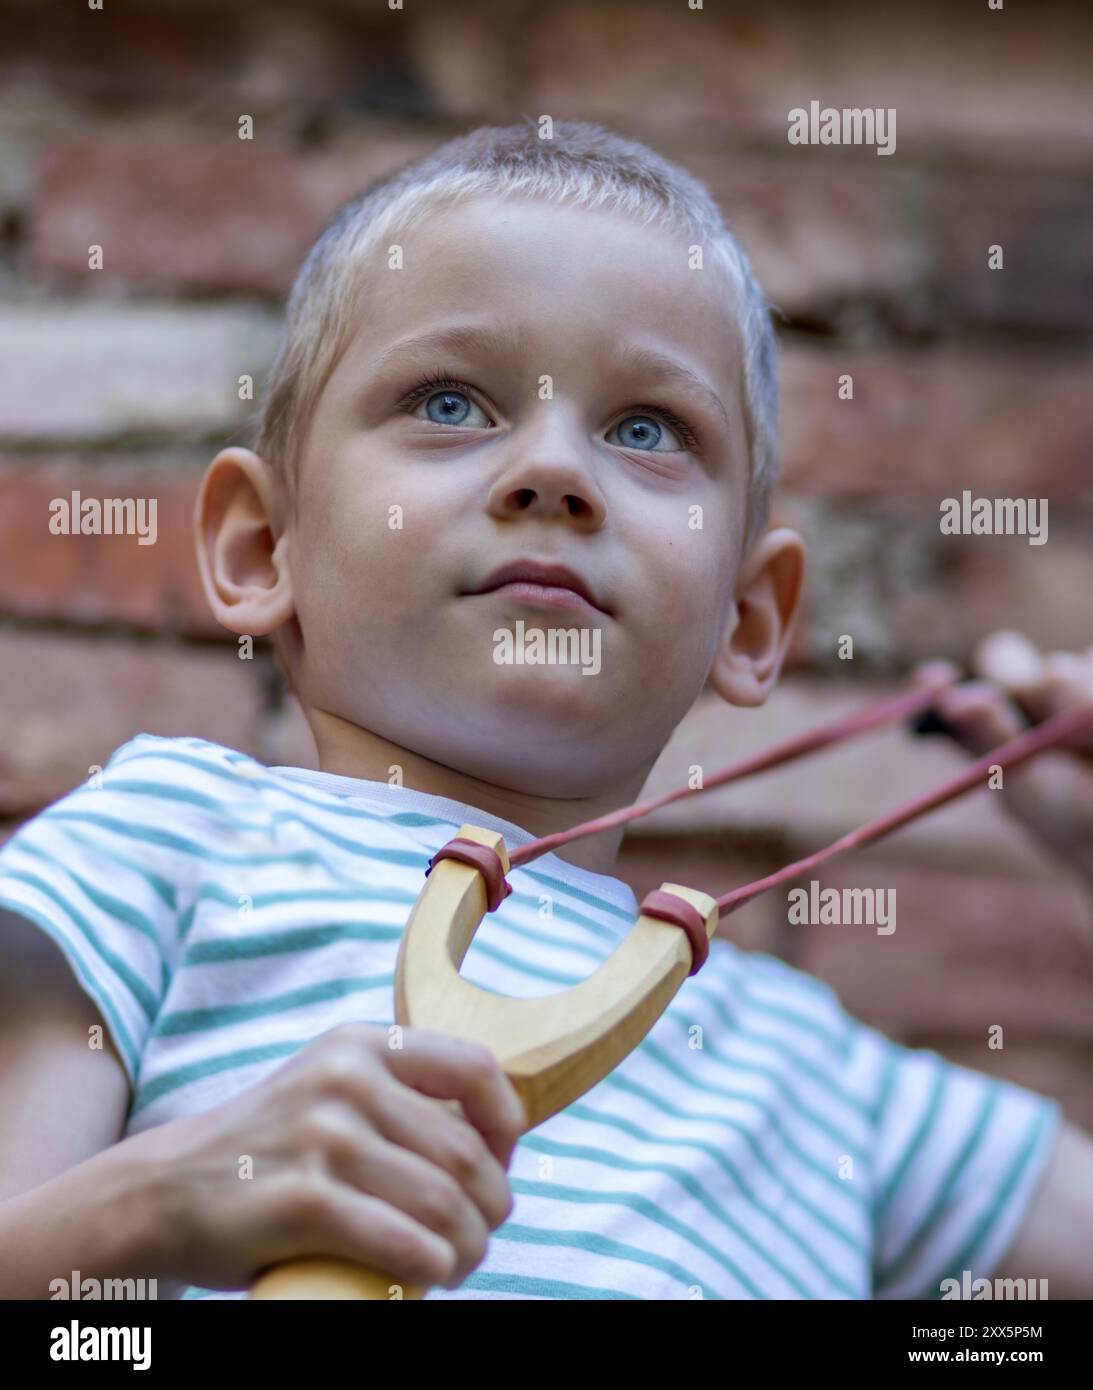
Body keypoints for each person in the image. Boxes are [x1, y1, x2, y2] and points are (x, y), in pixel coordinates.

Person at [2, 120, 1091, 1300]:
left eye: (645, 430)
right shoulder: (164, 841)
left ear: (748, 619)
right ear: (264, 546)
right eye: (452, 402)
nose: (556, 471)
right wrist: (163, 1198)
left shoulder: (834, 1088)